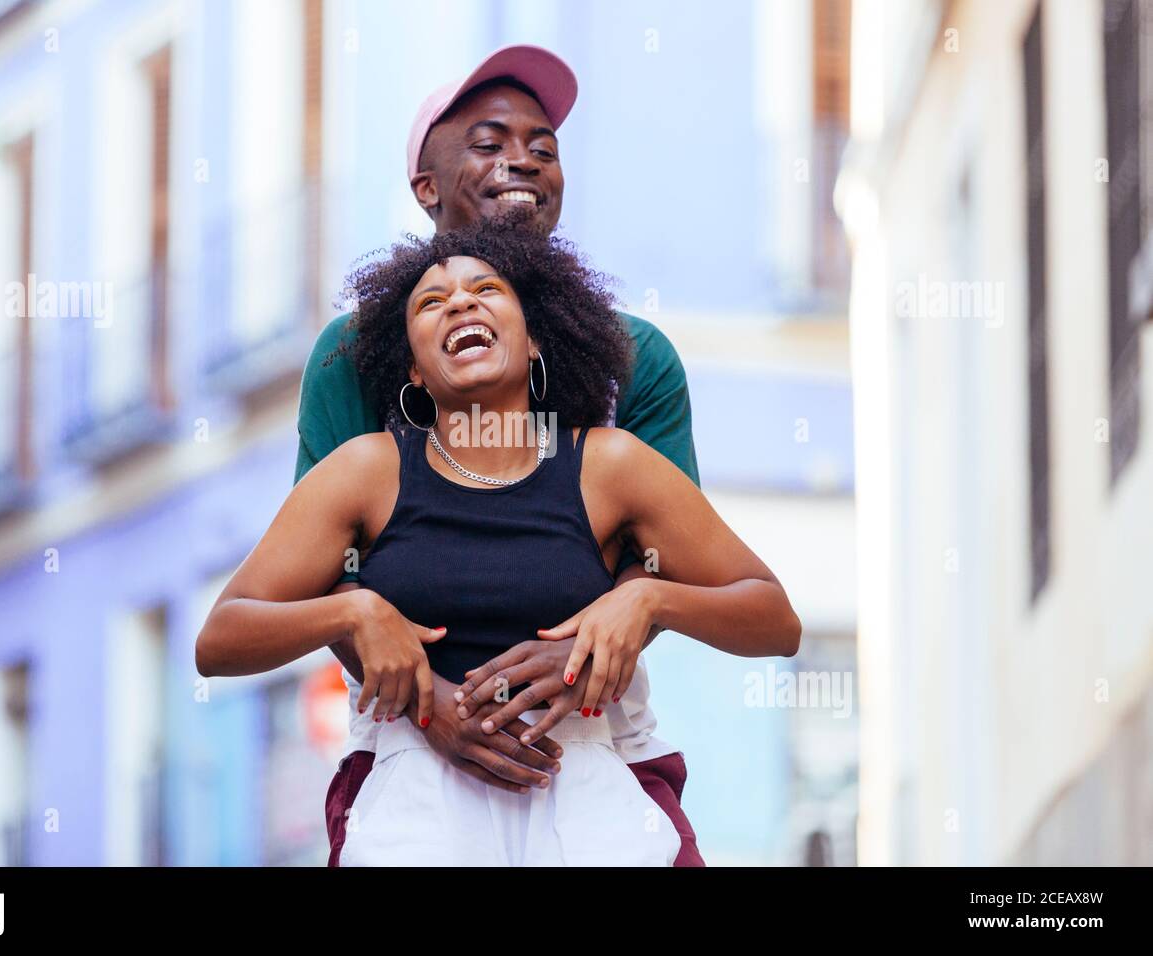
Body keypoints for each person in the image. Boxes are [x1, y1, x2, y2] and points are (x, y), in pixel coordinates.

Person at [196, 218, 801, 865]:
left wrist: (650, 599)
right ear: (413, 370)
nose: (460, 302)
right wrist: (353, 611)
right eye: (431, 302)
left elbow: (774, 619)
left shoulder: (612, 464)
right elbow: (219, 641)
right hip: (417, 805)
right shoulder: (364, 472)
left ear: (535, 340)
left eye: (486, 290)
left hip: (588, 802)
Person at [295, 45, 708, 865]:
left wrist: (597, 642)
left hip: (595, 744)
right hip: (409, 758)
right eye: (488, 143)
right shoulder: (353, 354)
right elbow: (321, 572)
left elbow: (676, 563)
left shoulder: (637, 357)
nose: (522, 159)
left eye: (543, 147)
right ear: (427, 187)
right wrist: (430, 707)